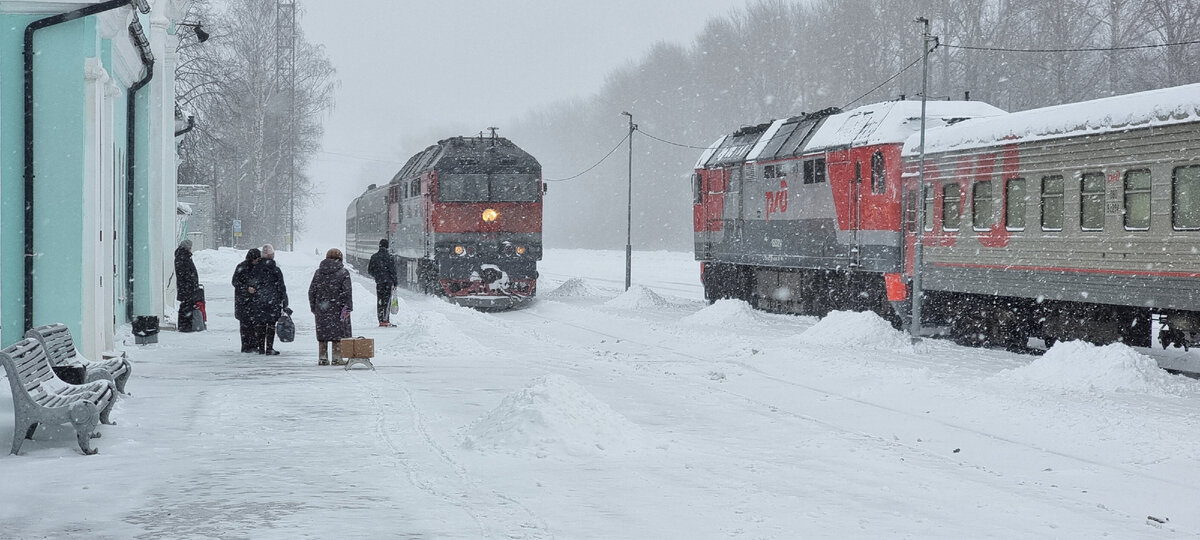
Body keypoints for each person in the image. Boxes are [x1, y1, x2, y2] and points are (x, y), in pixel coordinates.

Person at [309, 248, 353, 366]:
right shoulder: (343, 273)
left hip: (322, 308)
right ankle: (337, 358)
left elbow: (312, 291)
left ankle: (322, 358)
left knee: (323, 333)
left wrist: (314, 307)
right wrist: (347, 309)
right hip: (338, 309)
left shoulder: (318, 272)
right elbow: (347, 292)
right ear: (340, 258)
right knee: (338, 332)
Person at [250, 244, 289, 355]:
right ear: (272, 256)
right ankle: (269, 347)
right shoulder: (276, 270)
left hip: (258, 300)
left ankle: (261, 347)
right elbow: (281, 286)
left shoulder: (256, 269)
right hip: (273, 301)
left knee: (260, 324)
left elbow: (252, 283)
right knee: (271, 325)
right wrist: (284, 300)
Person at [232, 248, 262, 353]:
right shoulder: (242, 267)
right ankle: (246, 346)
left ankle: (254, 345)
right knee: (245, 324)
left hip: (253, 301)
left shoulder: (258, 268)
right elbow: (235, 282)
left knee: (254, 325)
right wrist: (246, 288)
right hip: (243, 301)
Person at [367, 238, 398, 327]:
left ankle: (380, 320)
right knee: (387, 301)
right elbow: (393, 271)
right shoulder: (390, 257)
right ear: (387, 247)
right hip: (388, 282)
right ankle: (386, 319)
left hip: (379, 282)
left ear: (379, 246)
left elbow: (370, 270)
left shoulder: (374, 257)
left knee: (380, 300)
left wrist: (377, 276)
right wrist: (395, 283)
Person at [174, 239, 202, 332]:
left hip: (186, 287)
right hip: (186, 287)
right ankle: (185, 326)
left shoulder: (182, 256)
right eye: (190, 247)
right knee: (186, 306)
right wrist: (191, 283)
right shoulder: (183, 257)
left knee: (186, 305)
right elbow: (186, 273)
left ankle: (185, 325)